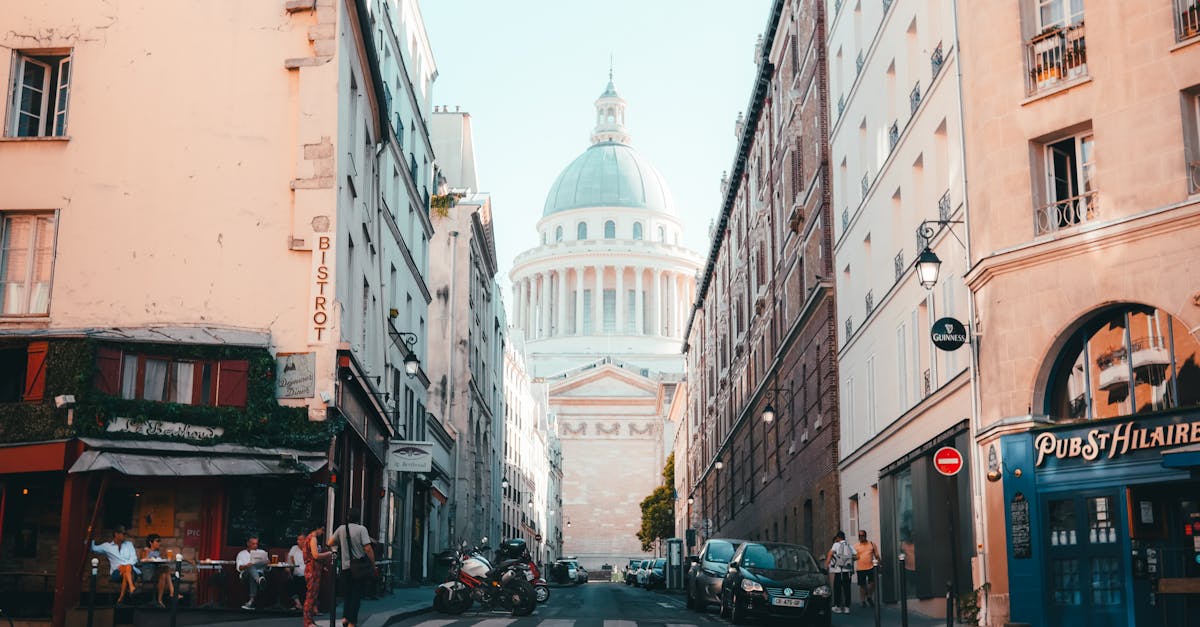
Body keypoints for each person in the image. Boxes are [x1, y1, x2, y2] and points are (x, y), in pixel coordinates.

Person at [328, 508, 374, 627]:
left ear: (348, 517)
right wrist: (373, 564)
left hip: (345, 567)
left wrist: (341, 545)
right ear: (359, 519)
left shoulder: (341, 529)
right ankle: (352, 622)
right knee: (356, 595)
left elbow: (330, 542)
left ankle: (345, 617)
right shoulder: (361, 529)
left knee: (347, 594)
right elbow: (367, 548)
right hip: (359, 568)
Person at [91, 525, 140, 605]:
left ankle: (122, 597)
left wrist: (123, 566)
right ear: (116, 534)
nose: (125, 536)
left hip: (131, 571)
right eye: (123, 534)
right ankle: (131, 589)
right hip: (116, 573)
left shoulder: (129, 544)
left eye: (125, 534)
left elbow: (134, 559)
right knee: (126, 569)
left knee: (126, 569)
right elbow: (93, 548)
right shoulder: (107, 546)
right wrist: (92, 537)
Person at [302, 525, 332, 627]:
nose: (322, 532)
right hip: (313, 569)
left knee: (312, 595)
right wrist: (328, 554)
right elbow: (315, 555)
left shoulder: (308, 538)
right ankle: (308, 621)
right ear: (317, 528)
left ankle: (309, 619)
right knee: (311, 596)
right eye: (322, 530)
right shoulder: (313, 538)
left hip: (311, 568)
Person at [140, 534, 178, 607]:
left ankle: (160, 600)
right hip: (148, 572)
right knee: (166, 569)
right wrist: (148, 554)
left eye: (159, 541)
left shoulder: (157, 552)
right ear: (151, 542)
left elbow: (160, 560)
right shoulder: (145, 550)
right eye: (157, 541)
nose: (159, 543)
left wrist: (166, 557)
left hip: (155, 570)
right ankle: (172, 592)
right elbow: (142, 559)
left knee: (164, 573)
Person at [236, 536, 269, 610]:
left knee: (253, 575)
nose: (255, 546)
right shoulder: (242, 554)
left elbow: (268, 567)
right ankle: (259, 580)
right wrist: (247, 566)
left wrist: (267, 562)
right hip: (245, 575)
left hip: (259, 574)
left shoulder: (262, 552)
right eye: (253, 544)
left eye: (256, 544)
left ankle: (251, 601)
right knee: (251, 566)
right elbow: (239, 568)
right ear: (248, 544)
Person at [825, 531, 854, 615]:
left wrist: (827, 563)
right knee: (847, 589)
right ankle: (847, 607)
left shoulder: (836, 544)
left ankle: (837, 606)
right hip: (847, 571)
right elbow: (857, 556)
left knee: (837, 588)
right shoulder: (849, 546)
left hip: (838, 570)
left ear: (838, 538)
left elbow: (830, 554)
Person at [855, 529, 881, 608]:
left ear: (865, 536)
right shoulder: (855, 546)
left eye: (862, 535)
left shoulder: (872, 544)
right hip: (860, 568)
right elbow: (853, 557)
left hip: (871, 567)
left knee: (872, 583)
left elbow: (876, 555)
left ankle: (869, 596)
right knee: (862, 585)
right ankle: (863, 601)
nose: (861, 537)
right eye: (859, 536)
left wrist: (879, 563)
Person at [287, 534, 307, 611]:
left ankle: (307, 606)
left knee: (302, 581)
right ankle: (298, 603)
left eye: (300, 540)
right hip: (296, 573)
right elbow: (289, 558)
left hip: (306, 573)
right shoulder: (294, 548)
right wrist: (289, 567)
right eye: (297, 540)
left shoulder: (308, 549)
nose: (298, 541)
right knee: (289, 582)